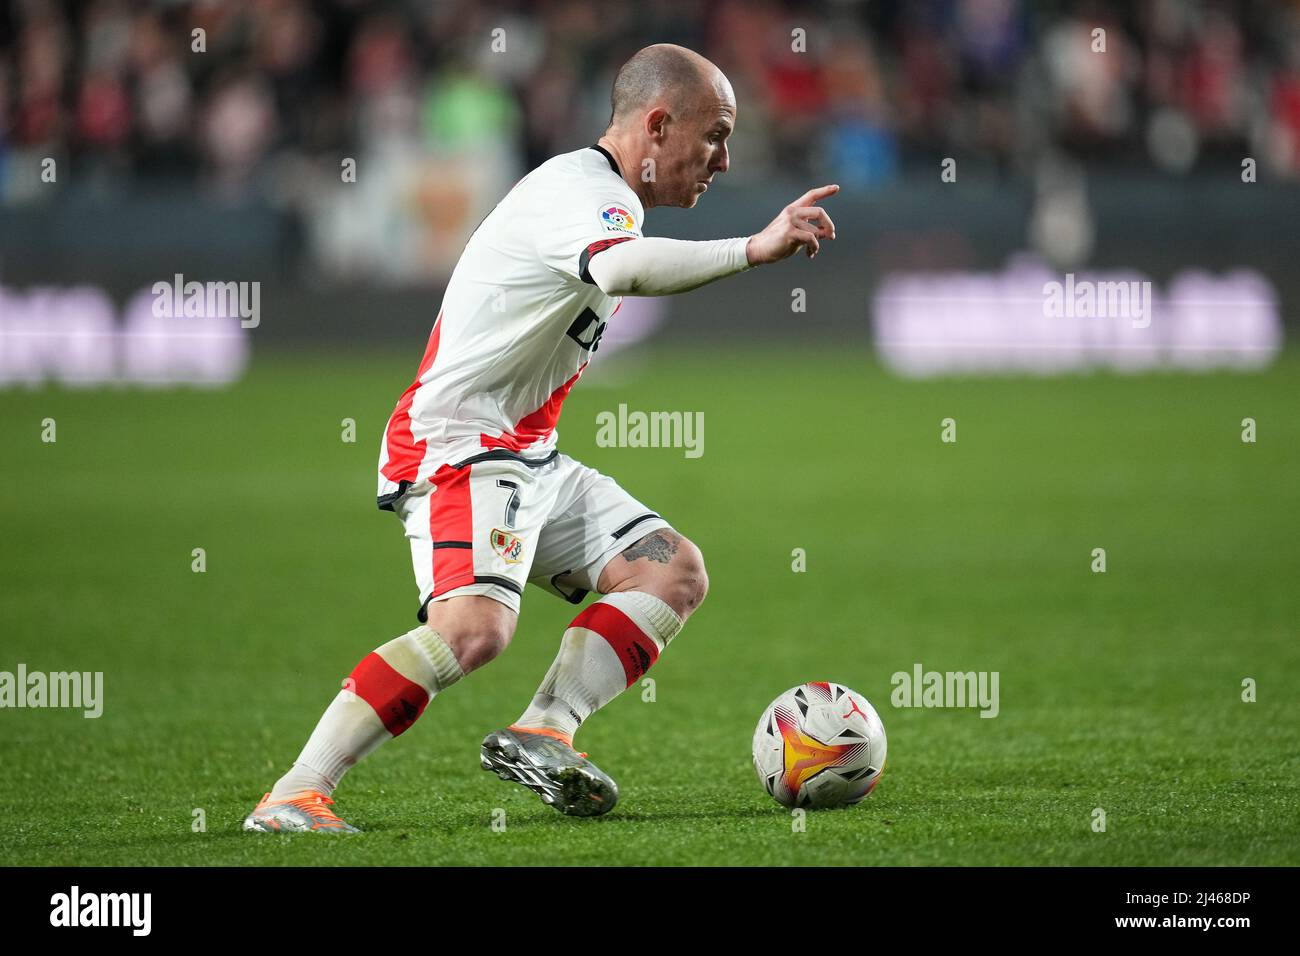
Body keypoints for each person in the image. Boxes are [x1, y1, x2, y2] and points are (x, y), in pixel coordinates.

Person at [244, 43, 837, 832]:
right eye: (715, 135)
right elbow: (622, 271)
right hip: (457, 441)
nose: (723, 159)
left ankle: (546, 730)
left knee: (670, 574)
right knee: (473, 630)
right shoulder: (581, 193)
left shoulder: (602, 197)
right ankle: (294, 793)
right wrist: (752, 249)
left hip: (524, 451)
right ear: (657, 125)